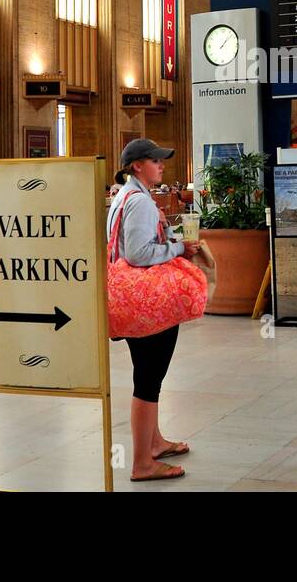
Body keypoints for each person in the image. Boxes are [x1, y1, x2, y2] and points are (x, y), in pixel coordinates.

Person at [107, 138, 202, 483]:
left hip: (128, 298)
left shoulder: (124, 197)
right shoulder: (141, 204)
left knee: (149, 376)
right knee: (148, 379)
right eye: (155, 161)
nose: (162, 166)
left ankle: (155, 442)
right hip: (147, 302)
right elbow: (138, 254)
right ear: (136, 166)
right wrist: (178, 247)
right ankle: (142, 463)